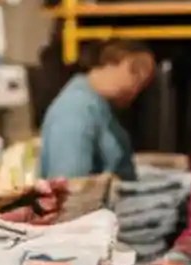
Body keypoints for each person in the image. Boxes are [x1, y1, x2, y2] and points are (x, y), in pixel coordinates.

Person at [39, 40, 156, 181]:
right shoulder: (75, 110)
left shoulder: (100, 107)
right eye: (137, 71)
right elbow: (71, 186)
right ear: (116, 62)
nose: (138, 86)